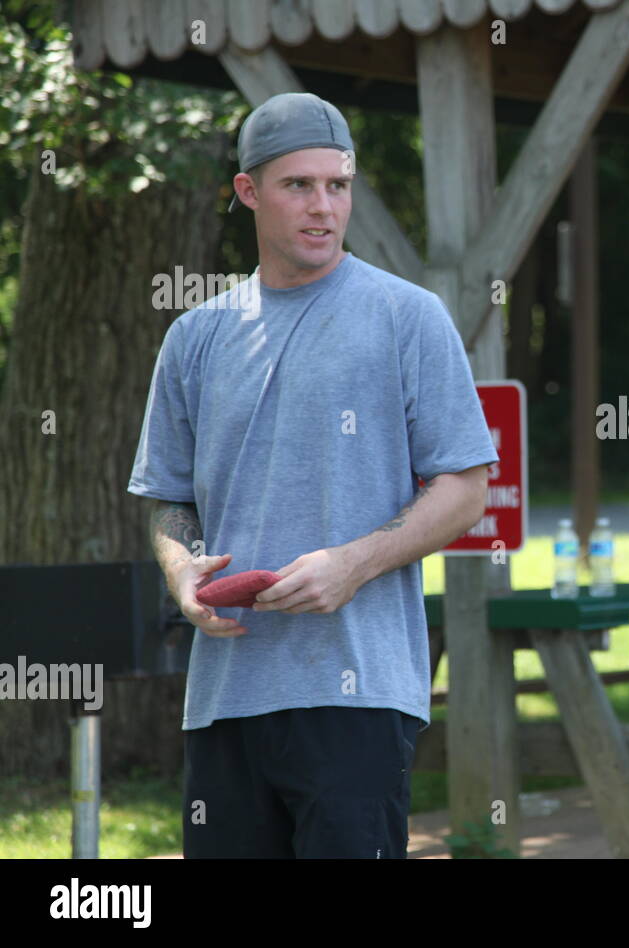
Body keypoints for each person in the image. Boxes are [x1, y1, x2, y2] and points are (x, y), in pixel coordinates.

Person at [127, 92, 497, 858]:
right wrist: (181, 569)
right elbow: (168, 497)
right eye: (299, 186)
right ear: (248, 191)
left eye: (339, 185)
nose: (324, 206)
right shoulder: (194, 338)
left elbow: (466, 490)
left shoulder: (409, 317)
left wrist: (351, 565)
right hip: (225, 696)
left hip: (356, 691)